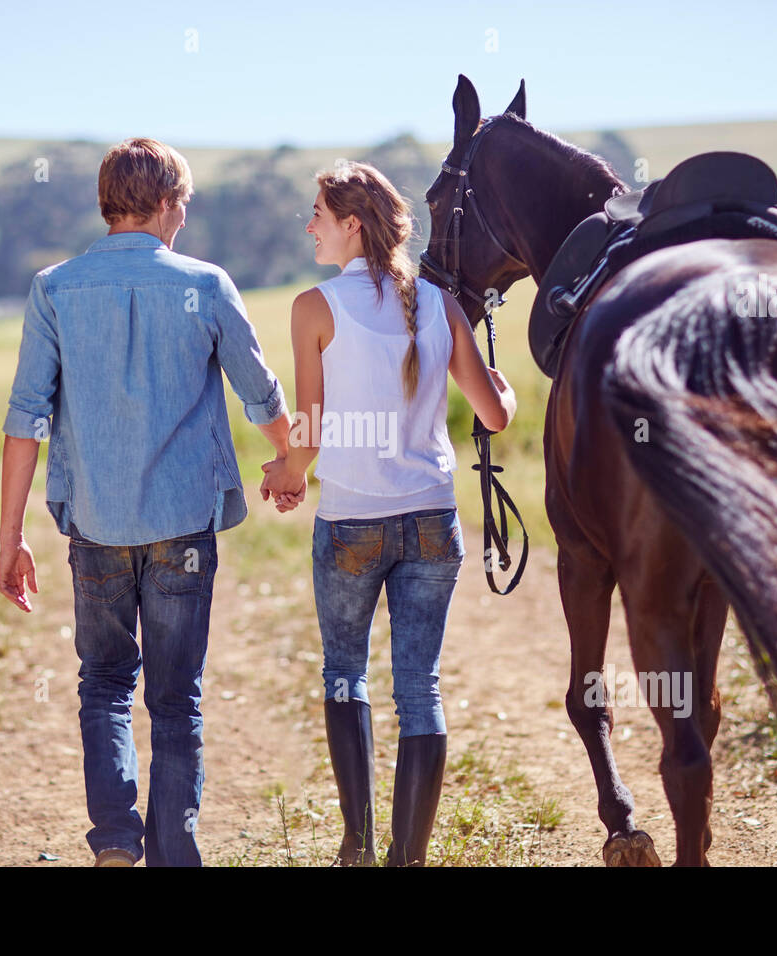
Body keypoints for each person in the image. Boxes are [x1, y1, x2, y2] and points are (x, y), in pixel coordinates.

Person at [0, 138, 292, 867]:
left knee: (102, 684)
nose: (184, 219)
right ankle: (175, 854)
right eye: (182, 205)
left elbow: (25, 416)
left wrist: (10, 536)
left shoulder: (55, 287)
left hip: (95, 527)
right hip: (183, 526)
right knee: (175, 698)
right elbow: (261, 395)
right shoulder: (207, 284)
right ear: (163, 202)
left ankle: (116, 841)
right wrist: (289, 461)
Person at [260, 160, 516, 866]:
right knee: (419, 688)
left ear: (350, 224)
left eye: (317, 212)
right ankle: (408, 859)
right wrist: (510, 396)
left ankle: (357, 846)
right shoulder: (439, 304)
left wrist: (286, 474)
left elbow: (306, 434)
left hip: (350, 522)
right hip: (433, 520)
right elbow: (493, 415)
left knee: (345, 673)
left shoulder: (314, 307)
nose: (308, 224)